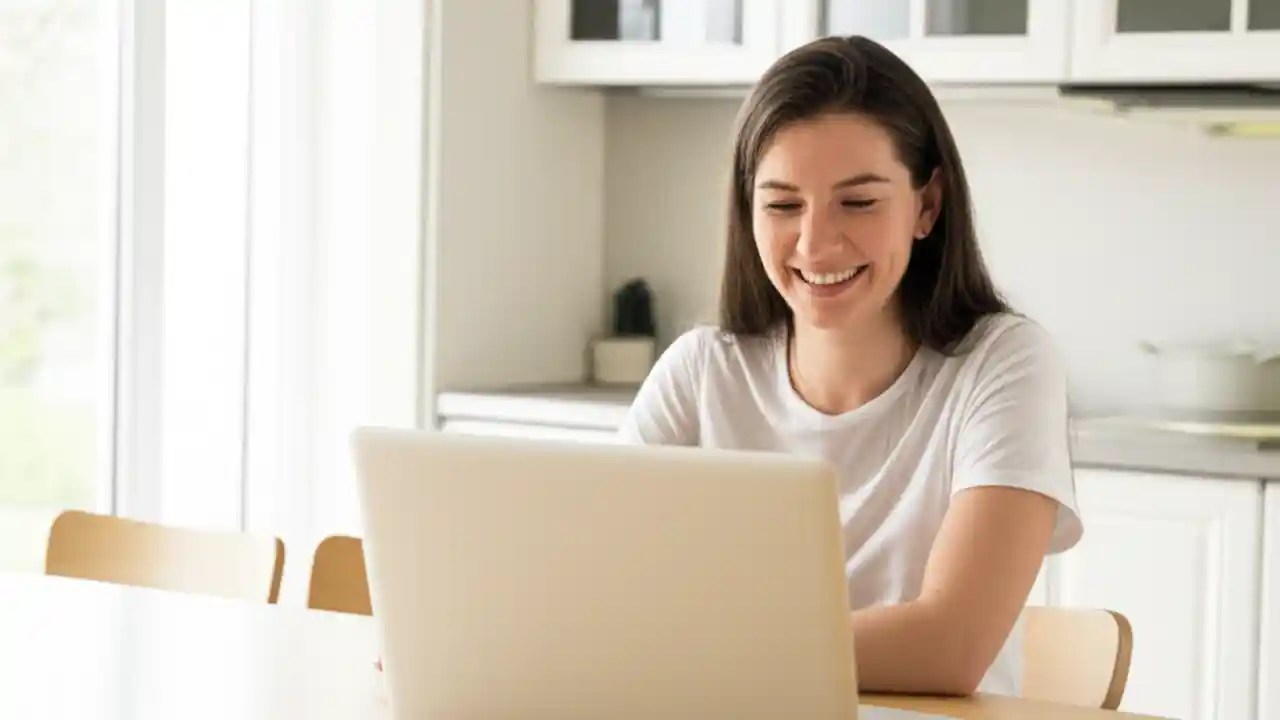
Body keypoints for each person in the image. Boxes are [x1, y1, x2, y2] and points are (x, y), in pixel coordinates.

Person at [620, 35, 1081, 697]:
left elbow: (949, 648)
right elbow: (603, 597)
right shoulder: (699, 372)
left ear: (927, 206)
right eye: (782, 205)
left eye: (858, 202)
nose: (815, 242)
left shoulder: (1002, 365)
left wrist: (703, 649)